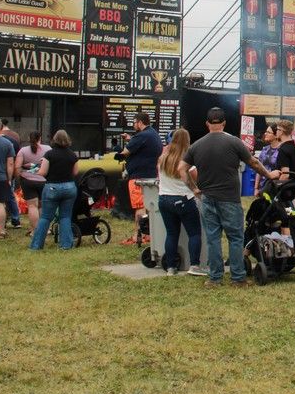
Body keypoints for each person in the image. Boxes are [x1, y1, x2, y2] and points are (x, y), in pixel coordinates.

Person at [181, 107, 279, 287]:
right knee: (235, 238)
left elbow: (181, 169)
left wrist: (194, 189)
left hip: (207, 198)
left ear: (207, 124)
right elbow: (254, 162)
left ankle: (215, 278)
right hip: (230, 198)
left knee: (213, 238)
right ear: (224, 123)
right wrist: (269, 175)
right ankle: (238, 278)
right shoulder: (234, 142)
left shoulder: (197, 145)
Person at [156, 129, 204, 276]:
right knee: (194, 233)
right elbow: (196, 178)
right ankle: (194, 265)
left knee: (171, 234)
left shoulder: (163, 158)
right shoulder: (188, 159)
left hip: (164, 199)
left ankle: (171, 267)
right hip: (184, 199)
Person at [116, 112, 163, 246]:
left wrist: (119, 151)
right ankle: (148, 234)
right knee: (149, 207)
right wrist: (131, 139)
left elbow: (125, 153)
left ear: (140, 122)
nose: (133, 124)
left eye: (134, 122)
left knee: (139, 207)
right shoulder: (153, 134)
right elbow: (142, 146)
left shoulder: (141, 135)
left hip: (138, 177)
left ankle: (137, 236)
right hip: (151, 176)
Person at [29, 130, 80, 250]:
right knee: (65, 217)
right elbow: (75, 172)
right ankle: (66, 245)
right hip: (69, 187)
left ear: (54, 140)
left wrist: (36, 171)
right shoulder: (73, 155)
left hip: (52, 187)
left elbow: (43, 172)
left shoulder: (49, 154)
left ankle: (36, 245)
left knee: (46, 217)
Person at [15, 132, 50, 235]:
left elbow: (17, 166)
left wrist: (19, 177)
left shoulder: (23, 150)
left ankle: (35, 230)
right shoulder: (48, 149)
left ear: (28, 138)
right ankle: (45, 229)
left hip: (28, 180)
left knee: (32, 206)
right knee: (42, 206)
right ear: (40, 138)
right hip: (44, 180)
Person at [0, 121, 23, 229]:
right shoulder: (14, 138)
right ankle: (15, 219)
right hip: (10, 172)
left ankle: (1, 222)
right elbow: (16, 158)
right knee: (10, 196)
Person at [255, 123, 280, 193]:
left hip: (275, 188)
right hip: (263, 187)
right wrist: (256, 188)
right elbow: (259, 169)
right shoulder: (265, 149)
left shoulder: (282, 150)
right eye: (266, 132)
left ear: (276, 135)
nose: (265, 134)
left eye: (268, 132)